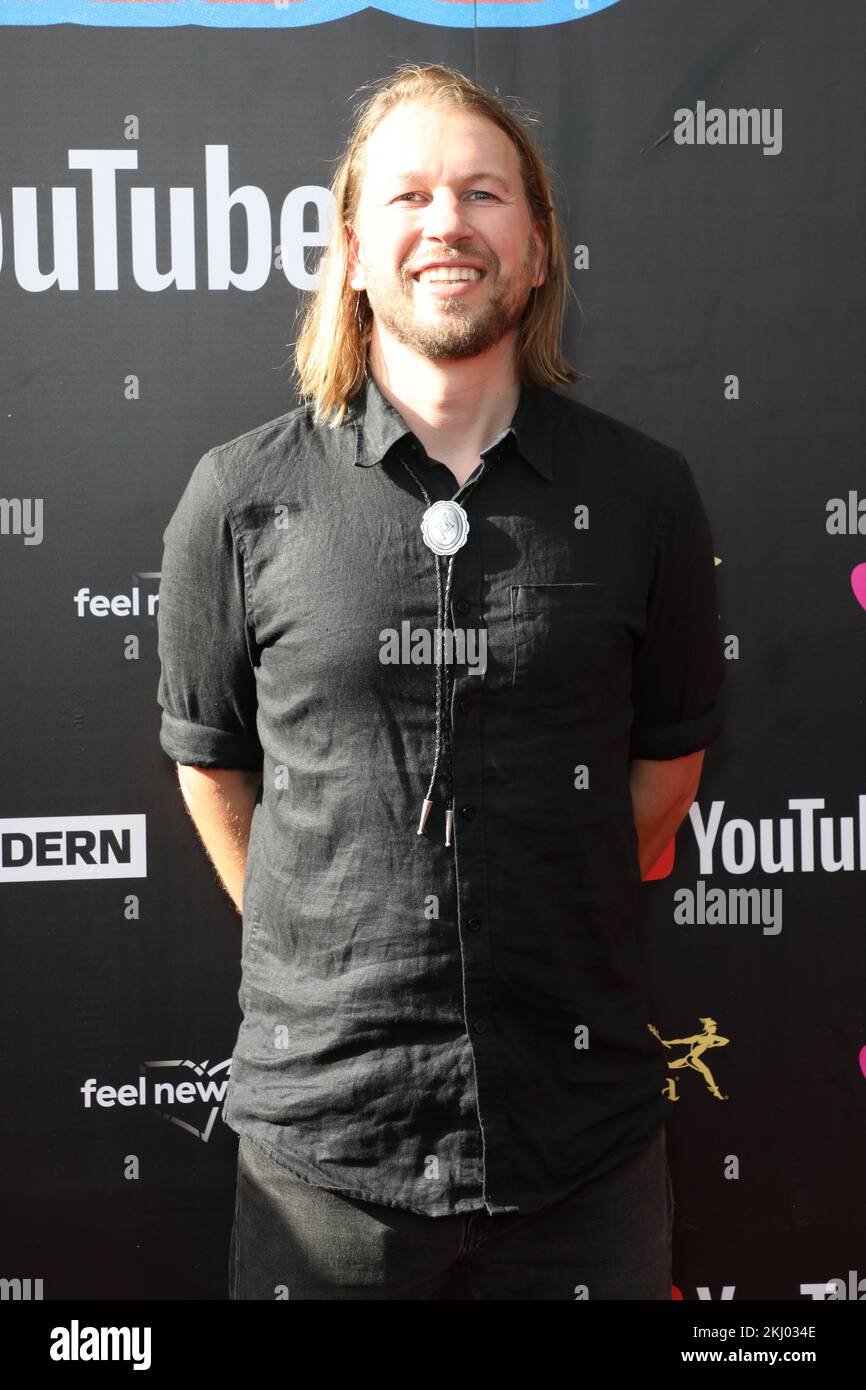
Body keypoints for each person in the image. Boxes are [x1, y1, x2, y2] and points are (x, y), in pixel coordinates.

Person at [156, 61, 725, 1300]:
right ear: (353, 250)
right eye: (408, 196)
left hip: (582, 1156)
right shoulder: (238, 497)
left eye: (482, 193)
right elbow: (211, 759)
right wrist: (331, 935)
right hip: (325, 1164)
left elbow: (663, 780)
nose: (446, 223)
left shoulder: (644, 496)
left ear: (535, 253)